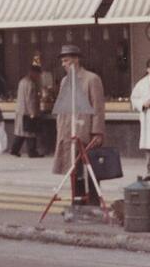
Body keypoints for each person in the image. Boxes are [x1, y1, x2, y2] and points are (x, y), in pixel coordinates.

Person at [52, 44, 106, 204]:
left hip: (86, 133)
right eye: (62, 61)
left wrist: (97, 132)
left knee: (91, 171)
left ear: (76, 60)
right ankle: (77, 203)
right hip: (68, 132)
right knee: (74, 170)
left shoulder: (92, 79)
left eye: (66, 60)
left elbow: (98, 107)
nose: (63, 64)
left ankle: (94, 203)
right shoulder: (64, 81)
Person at [10, 63, 42, 158]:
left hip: (21, 111)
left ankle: (14, 150)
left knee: (21, 133)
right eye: (38, 74)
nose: (38, 77)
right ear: (33, 73)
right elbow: (30, 99)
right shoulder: (31, 84)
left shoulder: (22, 81)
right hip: (28, 112)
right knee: (30, 132)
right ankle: (32, 152)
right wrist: (33, 112)